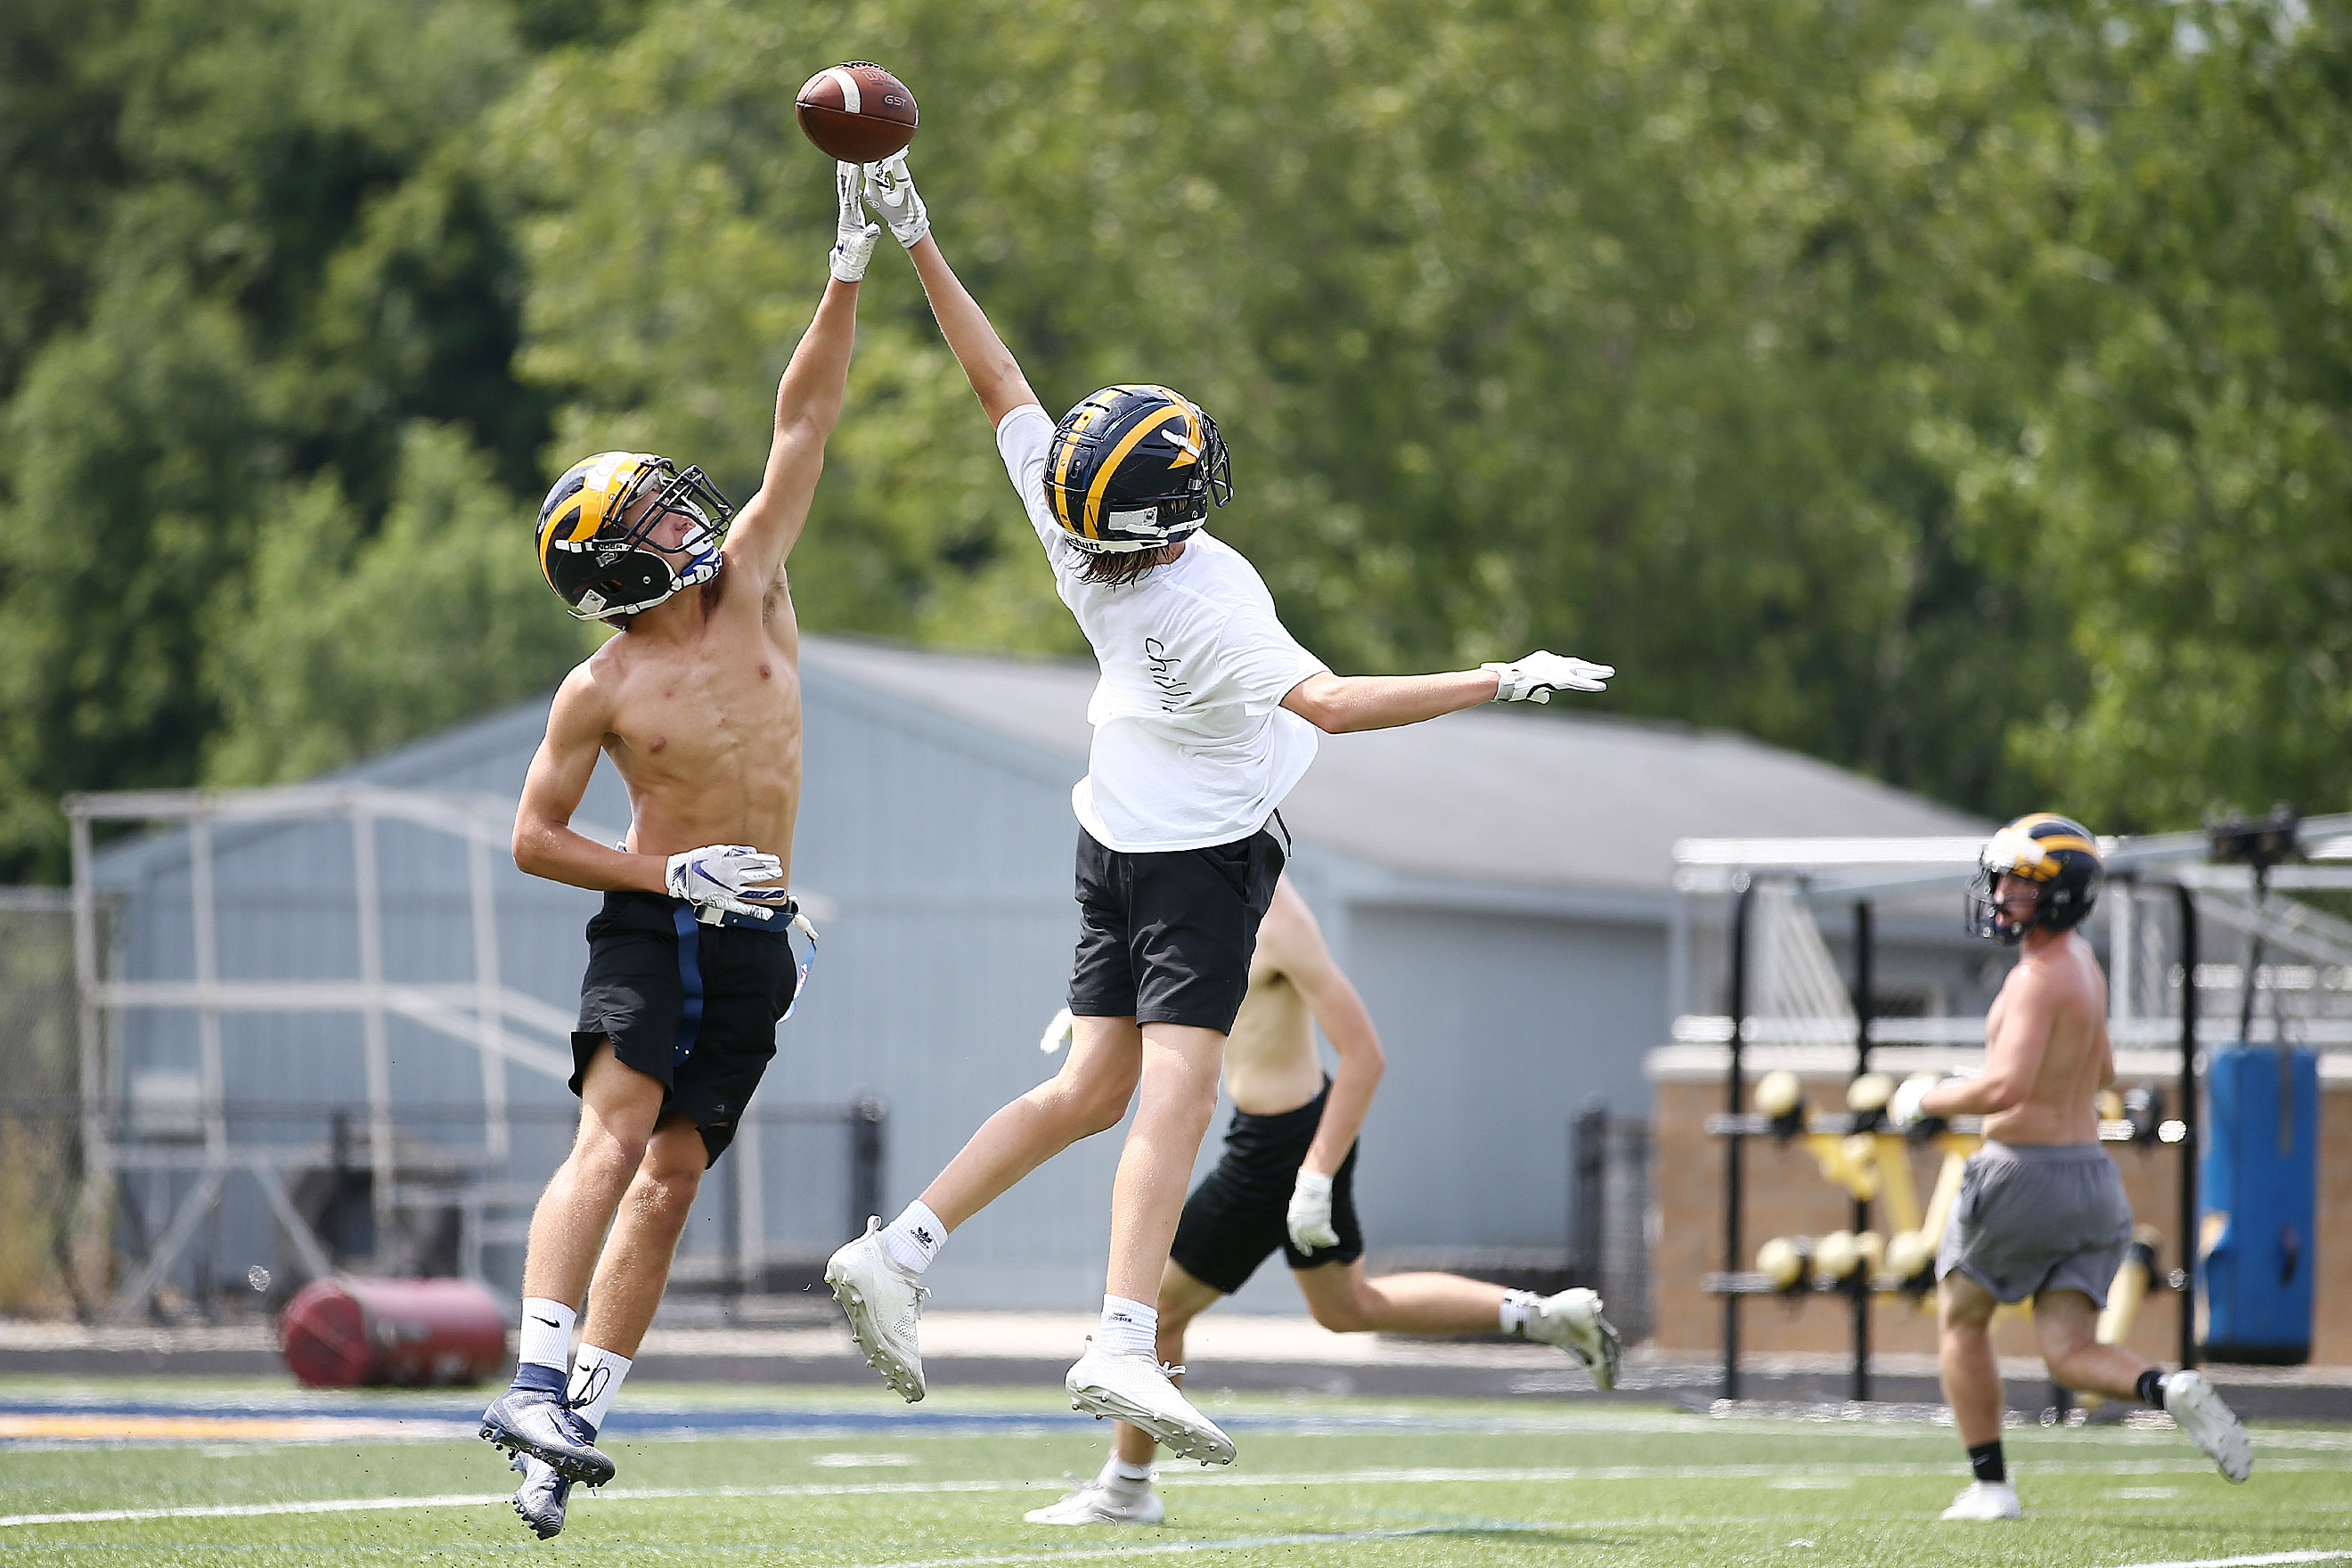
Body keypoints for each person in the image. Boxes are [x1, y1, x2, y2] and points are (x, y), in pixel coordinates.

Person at [821, 151, 1615, 1467]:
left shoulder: (1075, 537)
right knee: (1175, 1094)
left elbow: (999, 382)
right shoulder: (1209, 599)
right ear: (1169, 516)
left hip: (1109, 835)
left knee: (1088, 1087)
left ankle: (901, 1246)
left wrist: (919, 239)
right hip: (1199, 858)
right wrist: (1499, 676)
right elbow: (1337, 707)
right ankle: (1125, 1336)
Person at [476, 165, 884, 1539]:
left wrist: (846, 260)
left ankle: (570, 1427)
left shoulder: (752, 581)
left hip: (758, 936)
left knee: (675, 1177)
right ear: (615, 571)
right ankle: (531, 1382)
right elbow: (533, 840)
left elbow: (804, 418)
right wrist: (669, 877)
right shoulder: (599, 689)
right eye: (652, 522)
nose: (683, 522)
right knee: (615, 1131)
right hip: (659, 924)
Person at [1025, 874, 1621, 1526]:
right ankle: (1543, 1316)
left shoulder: (1279, 922)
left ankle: (1127, 1490)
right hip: (1267, 1137)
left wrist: (1314, 1175)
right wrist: (1101, 1010)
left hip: (1287, 1147)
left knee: (1159, 1305)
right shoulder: (1201, 896)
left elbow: (1366, 1056)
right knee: (1347, 1306)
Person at [1890, 813, 2251, 1521]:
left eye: (2019, 882)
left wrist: (1923, 1097)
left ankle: (1991, 1486)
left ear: (2059, 895)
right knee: (2068, 1349)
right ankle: (2166, 1388)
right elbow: (2101, 1068)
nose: (2001, 894)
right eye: (2003, 879)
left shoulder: (2036, 976)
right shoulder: (2084, 964)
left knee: (1961, 1320)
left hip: (2020, 1174)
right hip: (2090, 1177)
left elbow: (2006, 1088)